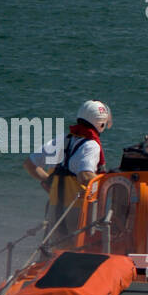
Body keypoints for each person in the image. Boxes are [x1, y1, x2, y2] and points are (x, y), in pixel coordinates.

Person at [26, 99, 112, 244]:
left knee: (56, 250)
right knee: (76, 252)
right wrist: (107, 187)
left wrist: (49, 181)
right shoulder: (91, 146)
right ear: (101, 123)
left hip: (54, 209)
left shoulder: (60, 140)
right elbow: (85, 175)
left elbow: (30, 164)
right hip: (77, 210)